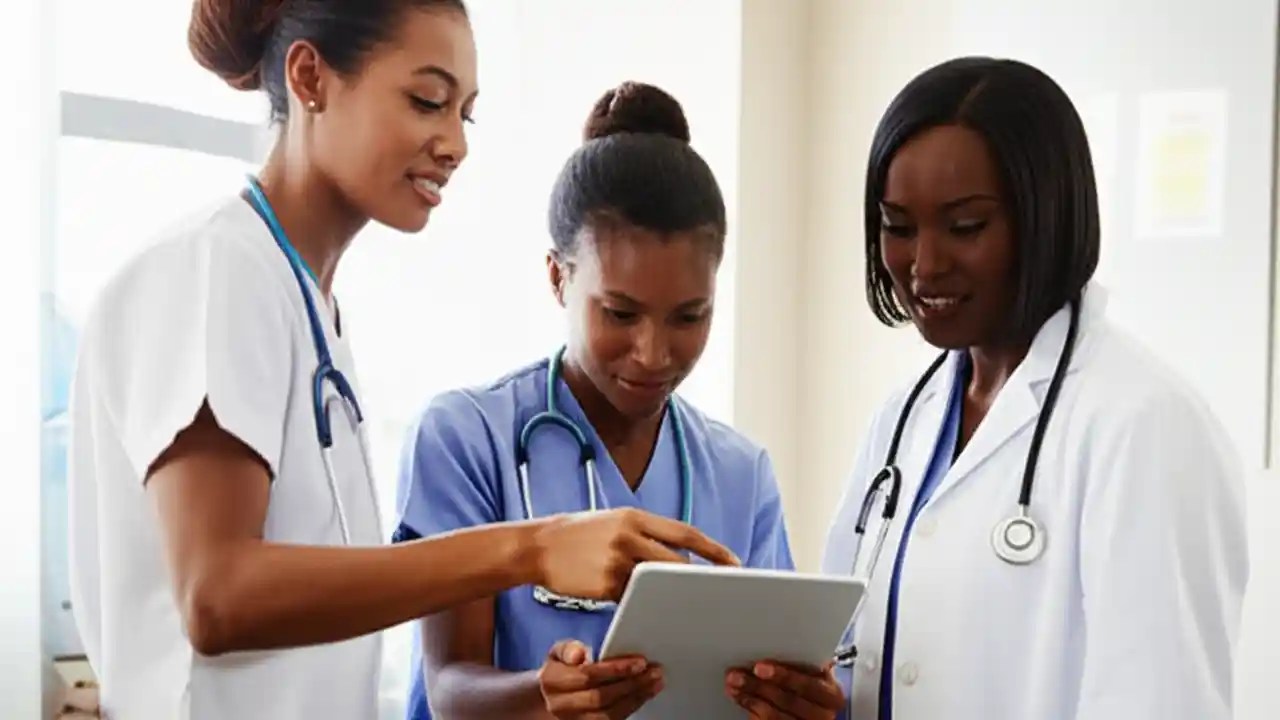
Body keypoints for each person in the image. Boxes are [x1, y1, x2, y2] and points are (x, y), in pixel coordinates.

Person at [65, 4, 738, 719]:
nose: (454, 144)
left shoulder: (310, 308)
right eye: (427, 101)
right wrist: (532, 549)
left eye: (465, 115)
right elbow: (217, 597)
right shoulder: (214, 267)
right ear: (310, 78)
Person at [392, 81, 846, 720]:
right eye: (621, 313)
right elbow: (449, 690)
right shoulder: (468, 437)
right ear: (559, 277)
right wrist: (546, 698)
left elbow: (763, 676)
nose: (653, 353)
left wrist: (800, 702)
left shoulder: (741, 474)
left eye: (689, 317)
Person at [820, 56, 1249, 720]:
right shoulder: (904, 418)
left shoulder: (1142, 424)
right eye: (898, 227)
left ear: (1044, 217)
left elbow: (1162, 700)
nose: (923, 265)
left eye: (964, 227)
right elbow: (858, 656)